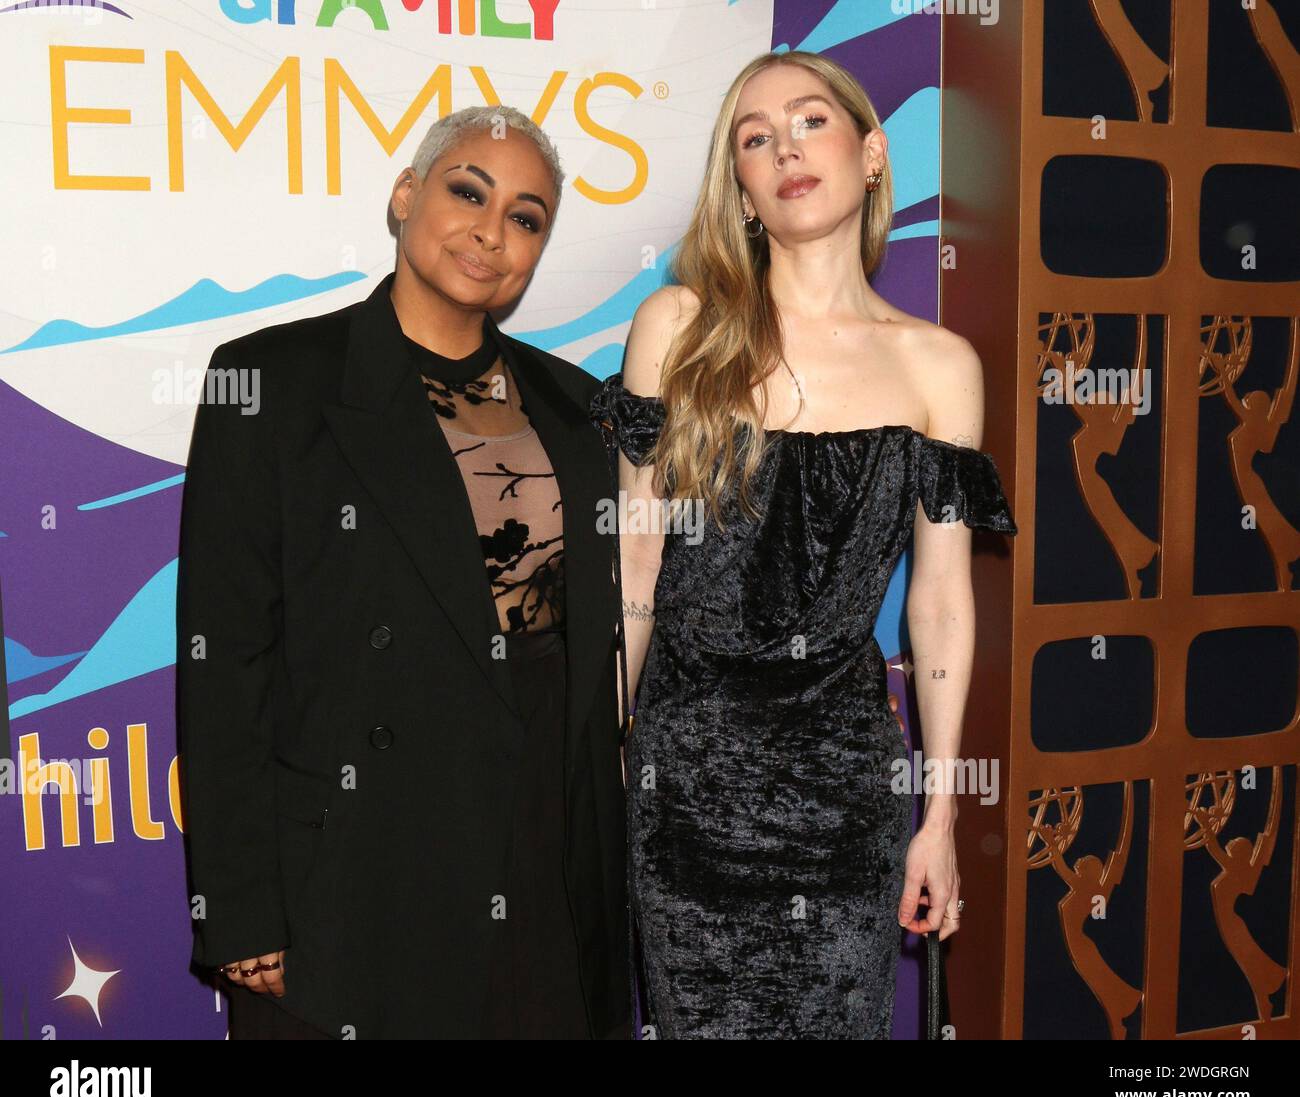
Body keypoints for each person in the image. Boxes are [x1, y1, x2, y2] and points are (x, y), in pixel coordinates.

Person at [589, 50, 1018, 1039]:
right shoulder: (677, 327)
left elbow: (941, 600)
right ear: (739, 187)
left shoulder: (939, 364)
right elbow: (637, 561)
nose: (784, 147)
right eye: (755, 137)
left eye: (810, 121)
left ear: (871, 153)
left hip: (841, 791)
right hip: (685, 785)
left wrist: (940, 817)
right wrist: (601, 755)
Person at [177, 106, 630, 1039]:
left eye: (526, 216)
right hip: (355, 866)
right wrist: (240, 905)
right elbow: (225, 664)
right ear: (406, 193)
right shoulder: (267, 382)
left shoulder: (577, 407)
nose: (490, 230)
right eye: (469, 190)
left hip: (541, 846)